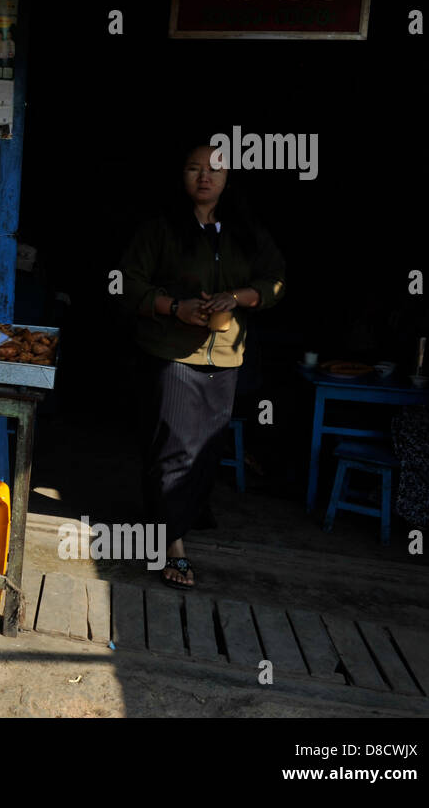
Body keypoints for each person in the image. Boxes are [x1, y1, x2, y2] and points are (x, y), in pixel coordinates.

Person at [120, 143, 286, 589]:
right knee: (175, 448)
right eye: (194, 168)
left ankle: (173, 516)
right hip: (173, 352)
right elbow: (127, 283)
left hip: (227, 354)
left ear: (229, 178)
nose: (204, 176)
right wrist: (176, 307)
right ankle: (172, 547)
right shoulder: (160, 229)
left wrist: (237, 297)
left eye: (214, 169)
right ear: (181, 176)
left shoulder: (246, 231)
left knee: (207, 450)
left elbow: (275, 280)